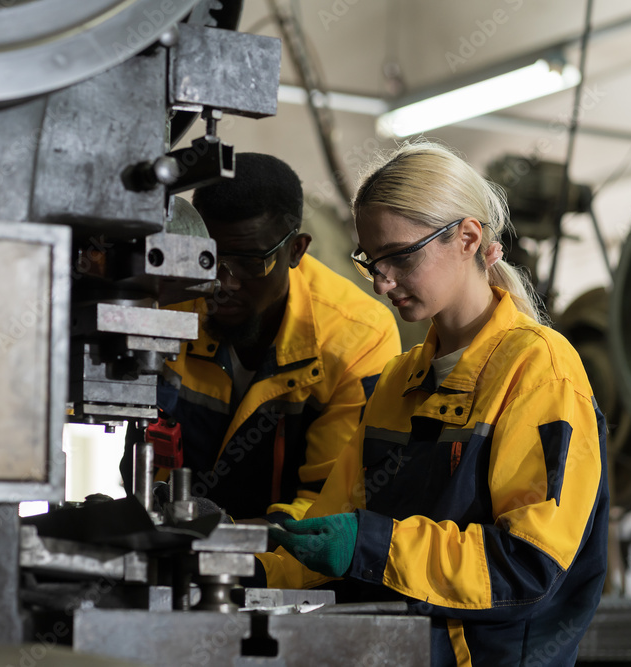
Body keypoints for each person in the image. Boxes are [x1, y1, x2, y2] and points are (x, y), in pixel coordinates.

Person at [256, 141, 609, 666]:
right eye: (371, 260)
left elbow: (528, 568)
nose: (380, 282)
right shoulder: (400, 382)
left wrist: (371, 546)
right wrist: (250, 561)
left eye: (399, 257)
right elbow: (333, 527)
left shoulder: (539, 373)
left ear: (467, 237)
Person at [125, 153, 402, 526]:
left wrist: (222, 536)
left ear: (296, 250)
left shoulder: (357, 336)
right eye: (208, 259)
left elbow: (329, 507)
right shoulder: (171, 299)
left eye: (251, 262)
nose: (224, 282)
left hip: (292, 566)